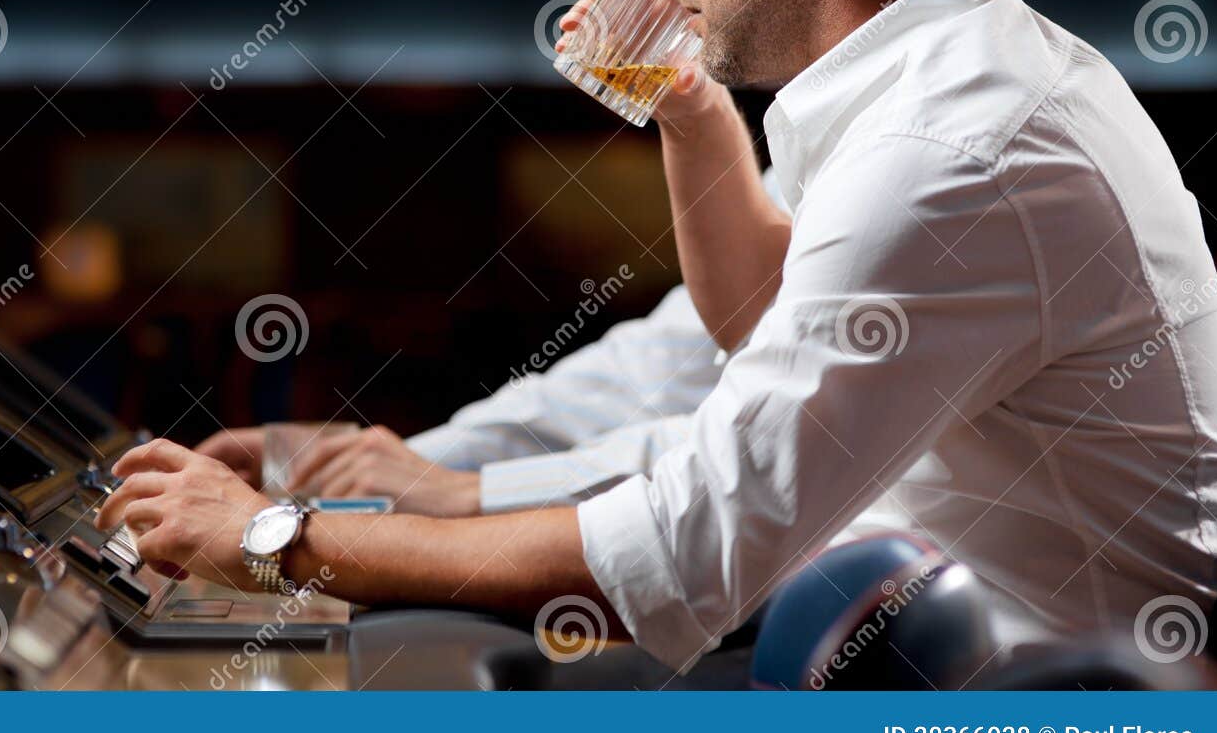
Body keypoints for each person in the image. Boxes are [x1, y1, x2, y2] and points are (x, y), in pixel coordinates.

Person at [99, 0, 1217, 672]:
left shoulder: (945, 150)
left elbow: (691, 546)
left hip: (1073, 705)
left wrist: (277, 540)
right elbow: (748, 326)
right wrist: (688, 106)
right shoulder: (936, 88)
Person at [194, 169, 791, 517]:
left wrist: (466, 490)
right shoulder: (799, 151)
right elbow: (644, 382)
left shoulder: (852, 152)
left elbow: (762, 447)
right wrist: (367, 467)